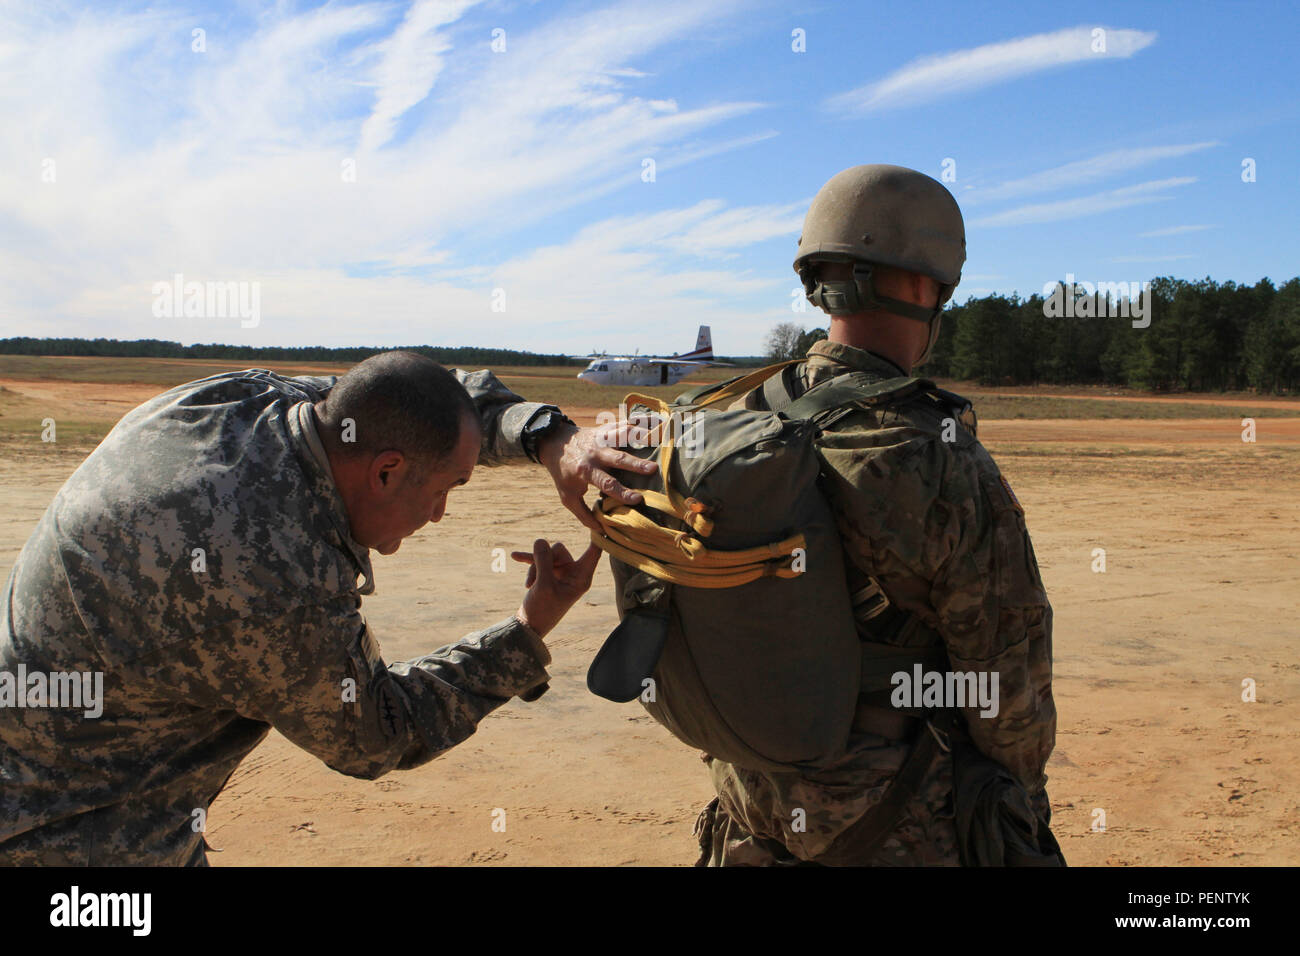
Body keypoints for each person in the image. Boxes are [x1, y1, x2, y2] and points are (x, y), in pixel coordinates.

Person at [0, 350, 651, 865]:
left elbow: (415, 394)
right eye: (448, 488)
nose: (440, 513)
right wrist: (529, 628)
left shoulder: (245, 398)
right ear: (388, 472)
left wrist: (553, 438)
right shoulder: (270, 578)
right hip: (77, 846)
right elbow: (379, 736)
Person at [694, 164, 1058, 865]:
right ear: (926, 285)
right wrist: (1021, 800)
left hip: (749, 807)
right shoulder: (935, 452)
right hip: (897, 826)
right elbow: (1008, 693)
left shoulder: (736, 415)